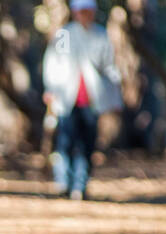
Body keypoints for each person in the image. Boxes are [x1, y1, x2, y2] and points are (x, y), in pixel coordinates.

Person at [42, 0, 122, 201]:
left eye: (88, 11)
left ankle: (81, 184)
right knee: (65, 142)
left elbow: (109, 67)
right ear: (75, 13)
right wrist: (50, 89)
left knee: (87, 144)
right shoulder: (65, 35)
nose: (84, 15)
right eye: (81, 11)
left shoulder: (100, 35)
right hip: (66, 97)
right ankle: (63, 182)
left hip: (92, 100)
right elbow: (53, 62)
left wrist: (114, 96)